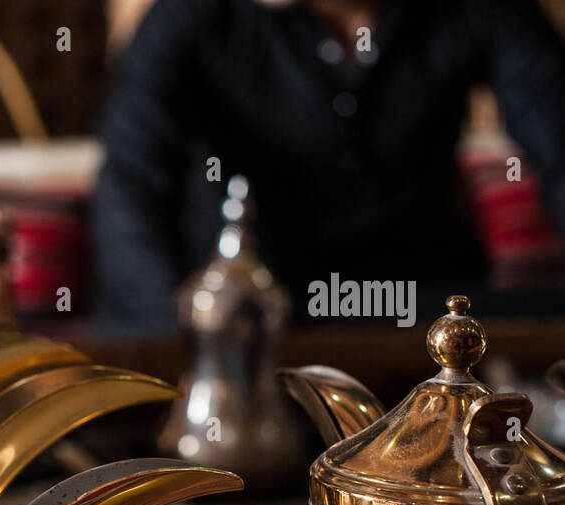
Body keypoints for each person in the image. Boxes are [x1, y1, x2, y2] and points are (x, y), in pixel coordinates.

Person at [93, 0, 565, 334]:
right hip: (252, 323)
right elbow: (130, 182)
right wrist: (178, 339)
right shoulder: (193, 15)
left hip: (426, 315)